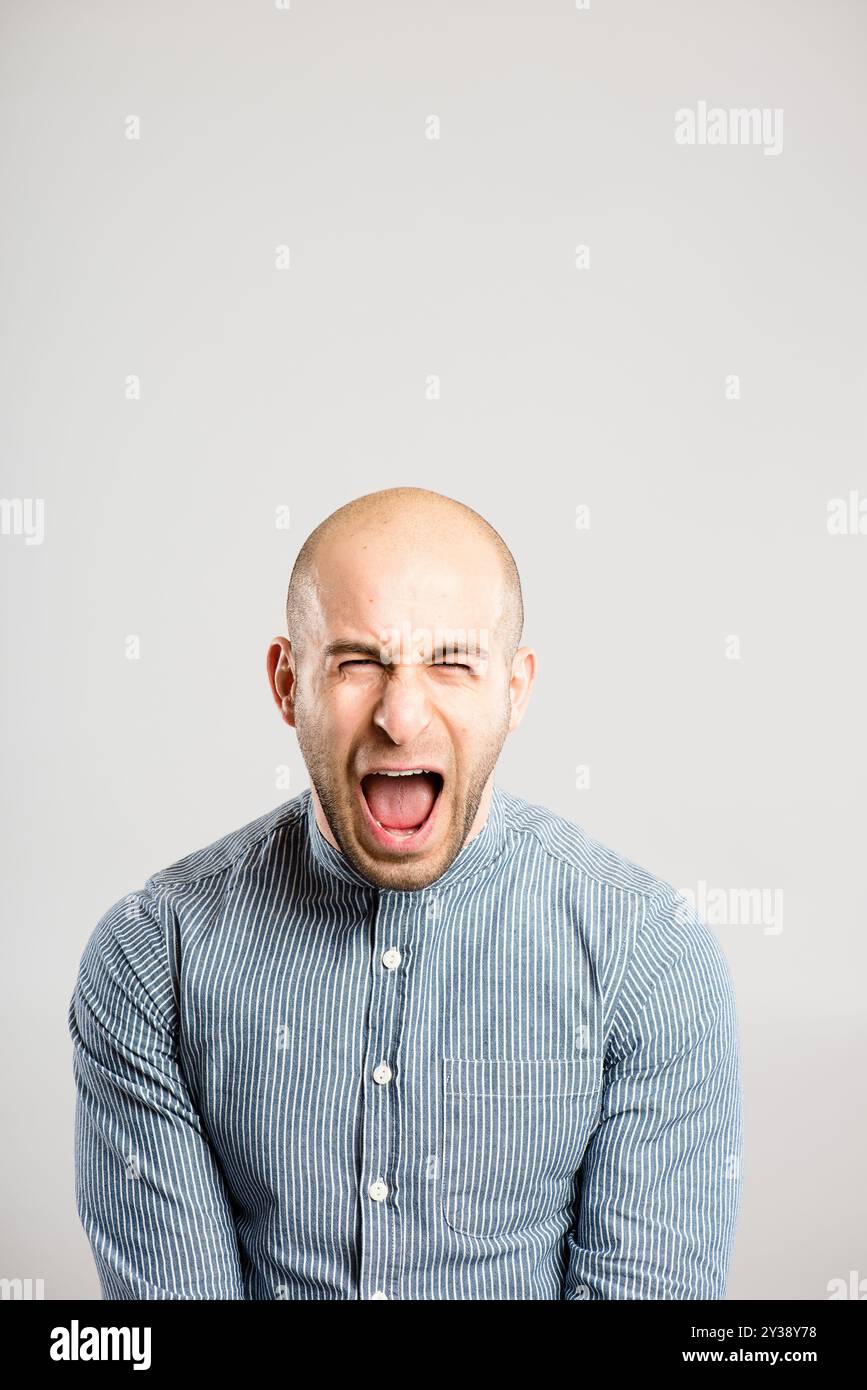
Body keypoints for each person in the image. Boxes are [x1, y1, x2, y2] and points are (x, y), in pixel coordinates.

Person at [68, 485, 743, 1300]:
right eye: (358, 662)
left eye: (451, 663)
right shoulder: (153, 956)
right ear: (287, 683)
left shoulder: (651, 955)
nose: (401, 716)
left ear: (514, 690)